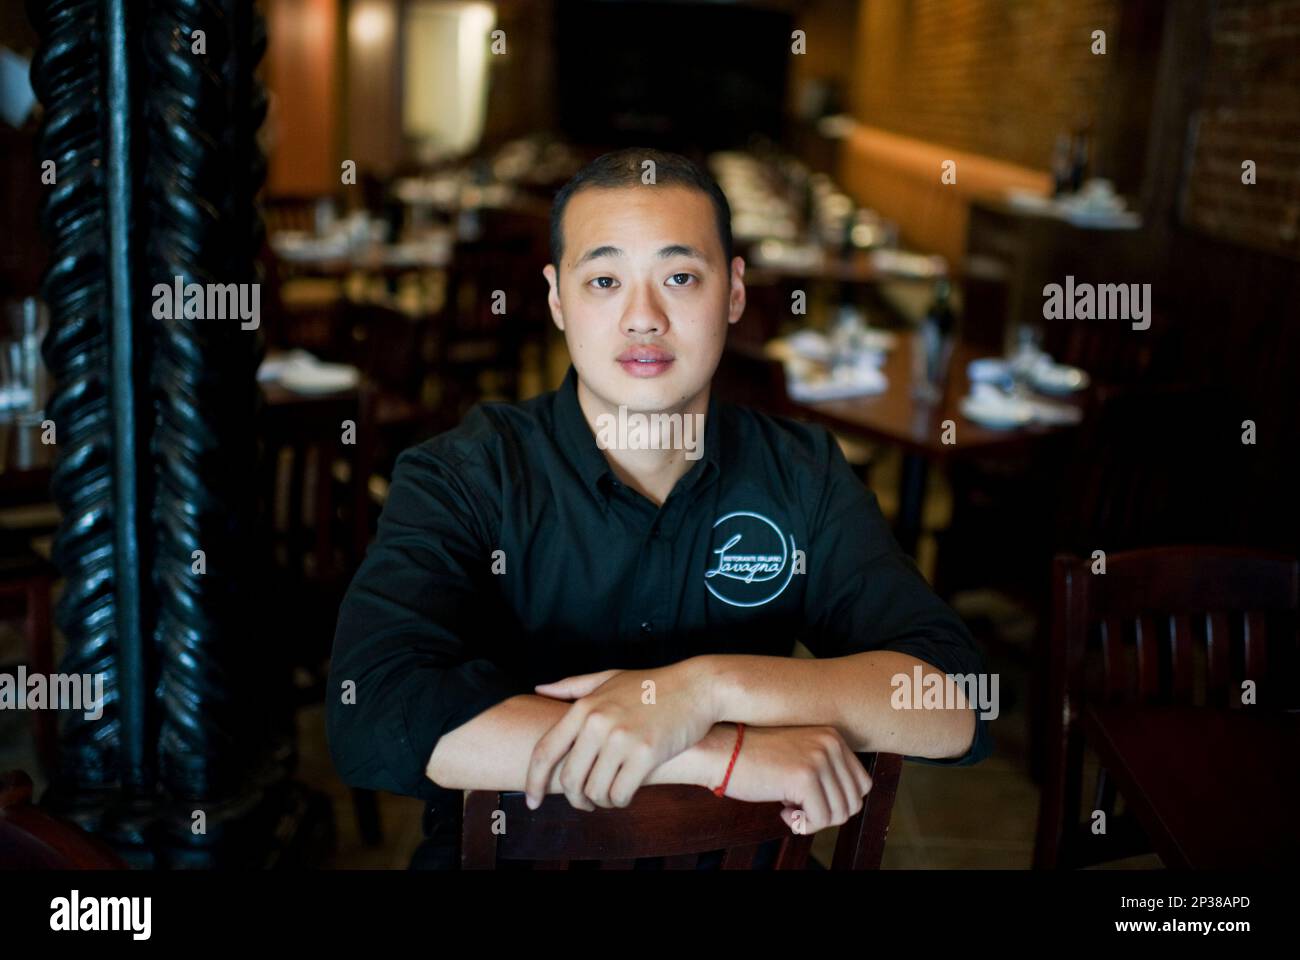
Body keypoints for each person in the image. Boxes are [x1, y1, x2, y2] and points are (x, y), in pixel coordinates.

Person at [327, 148, 992, 870]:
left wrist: (703, 689)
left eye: (680, 277)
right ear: (556, 298)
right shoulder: (465, 475)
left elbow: (957, 700)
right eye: (604, 280)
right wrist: (711, 752)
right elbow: (371, 714)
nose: (643, 319)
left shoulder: (802, 475)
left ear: (734, 292)